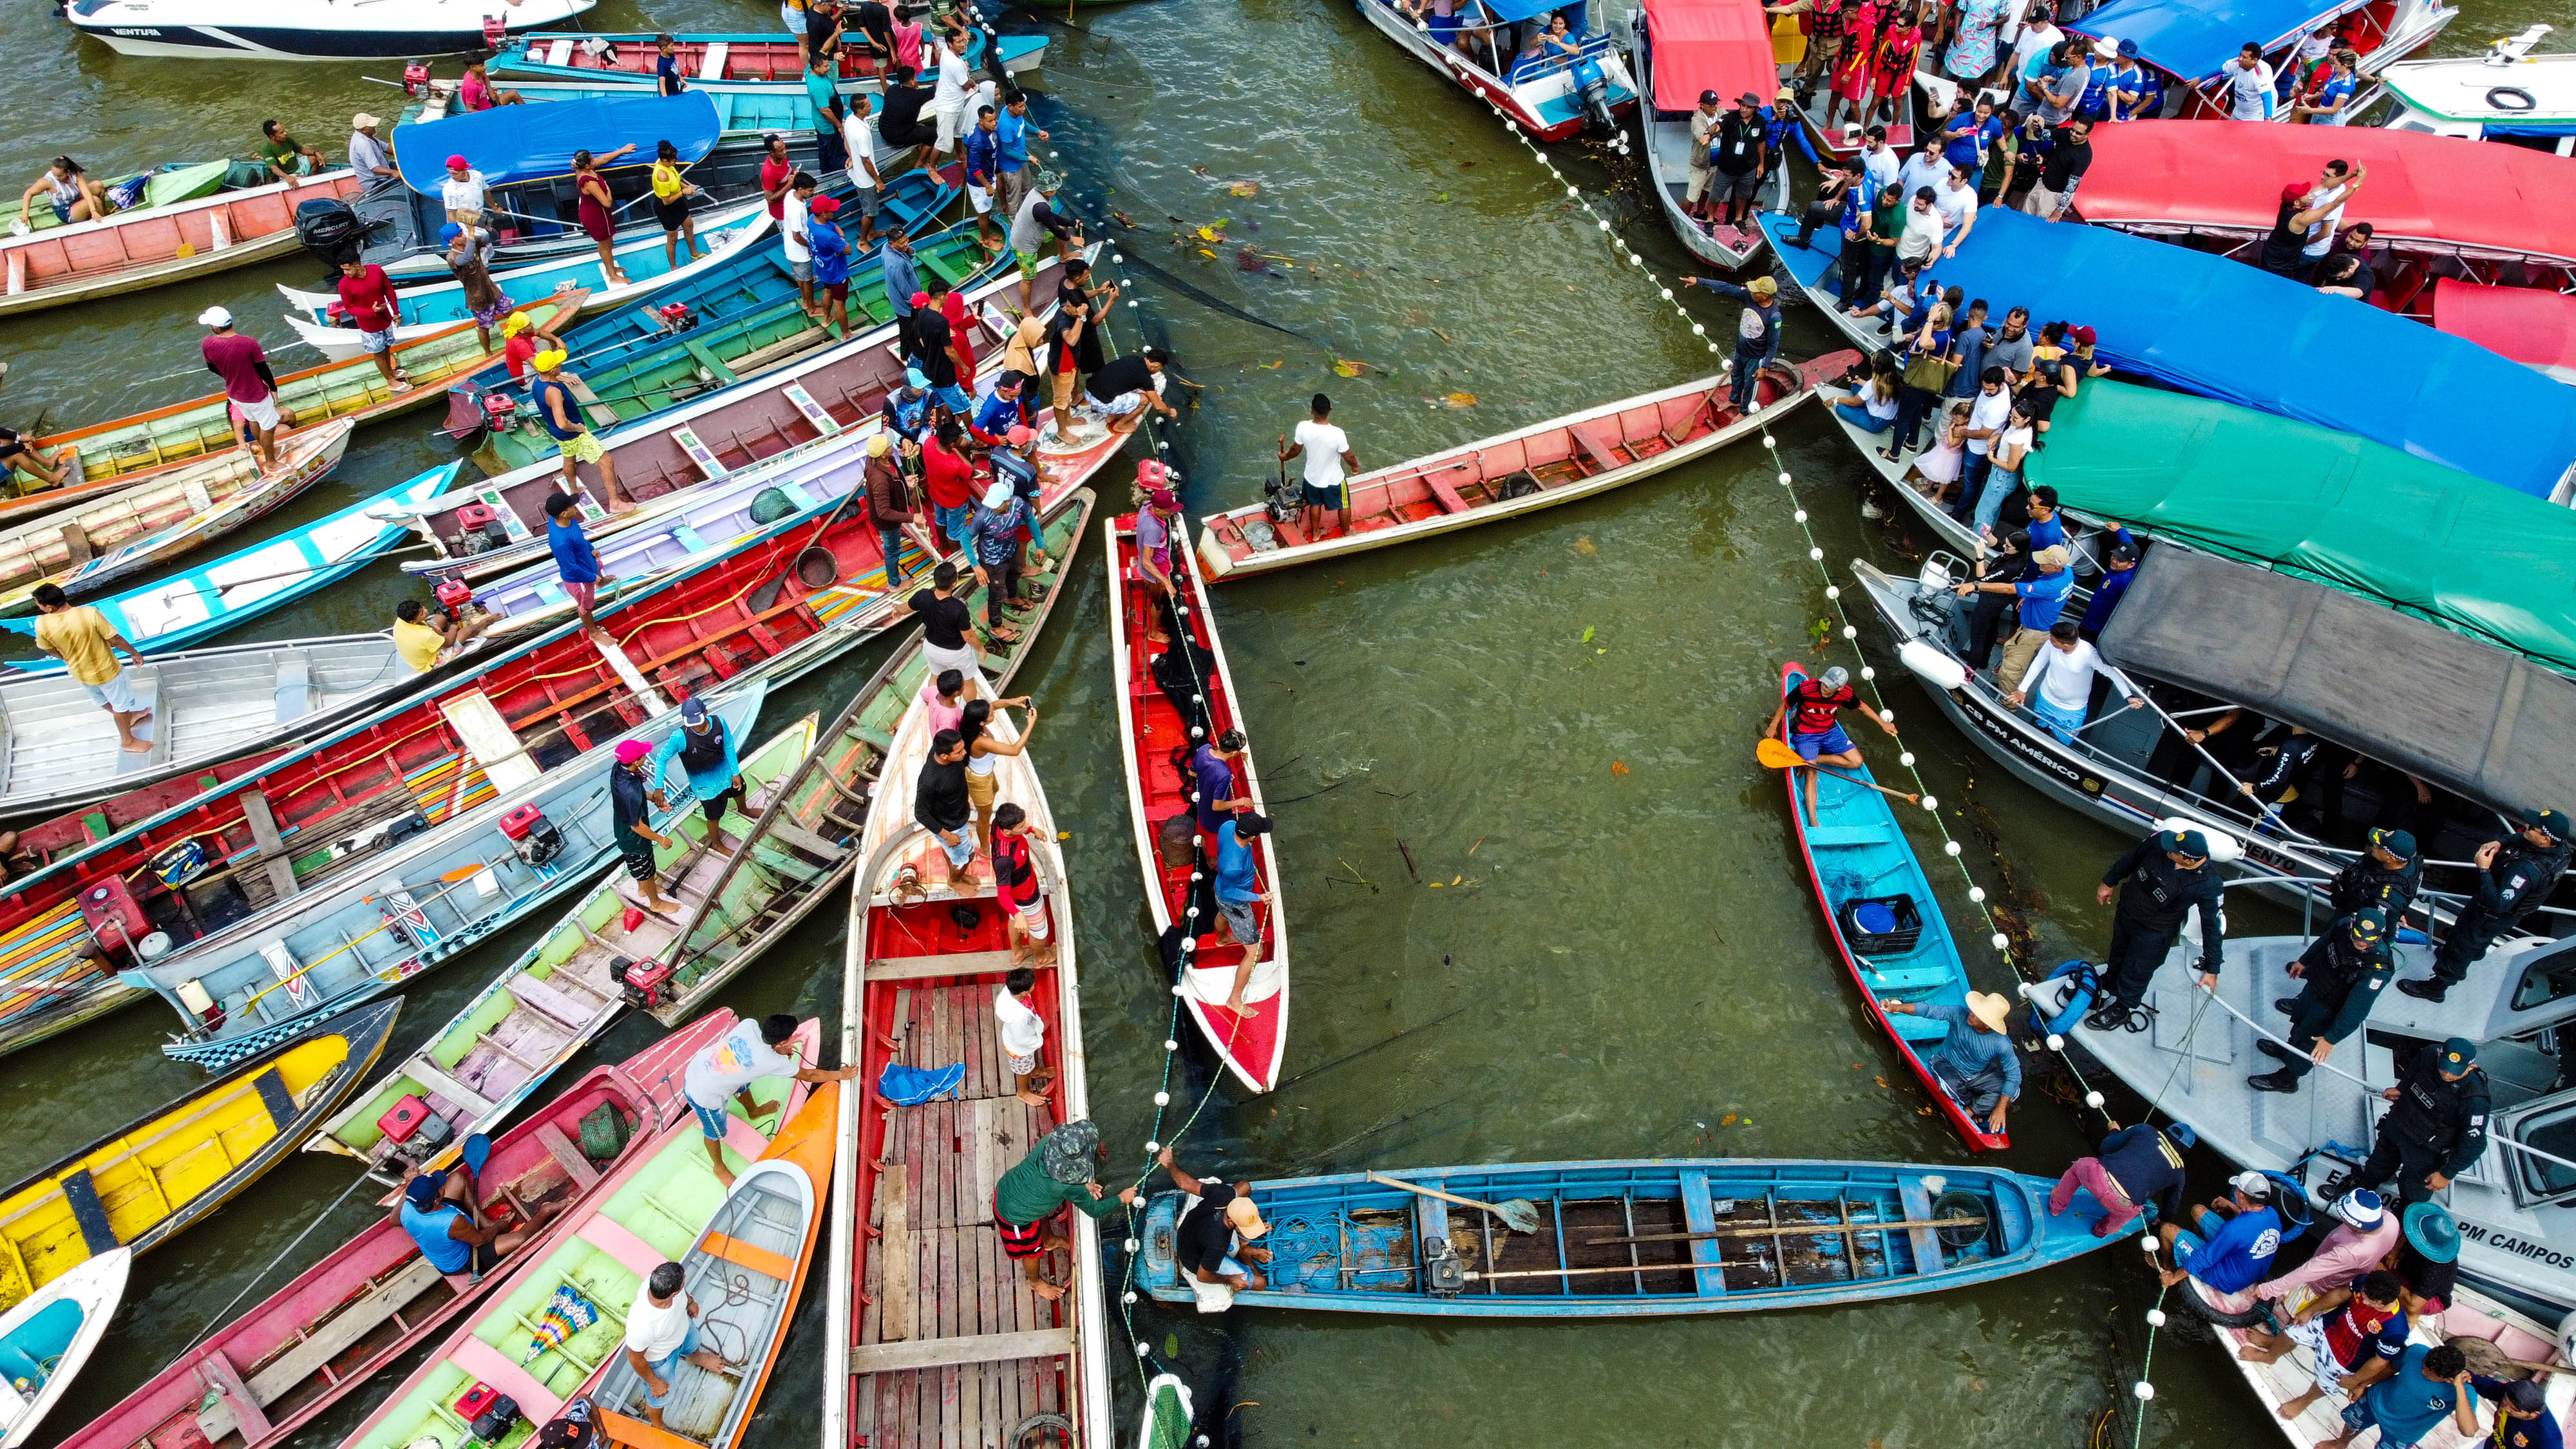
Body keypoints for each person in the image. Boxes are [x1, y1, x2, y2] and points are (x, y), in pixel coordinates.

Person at [2402, 810, 2571, 1002]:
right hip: (2503, 913)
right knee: (2472, 942)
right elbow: (2525, 840)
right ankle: (2460, 958)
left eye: (2533, 828)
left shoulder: (2526, 871)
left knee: (2464, 943)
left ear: (2546, 839)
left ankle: (2437, 987)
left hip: (2492, 913)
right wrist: (2502, 842)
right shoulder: (2560, 849)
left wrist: (2483, 868)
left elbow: (2499, 903)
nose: (2526, 827)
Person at [680, 1012, 853, 1188]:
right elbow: (809, 1074)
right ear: (782, 1042)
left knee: (742, 1081)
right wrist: (841, 1074)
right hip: (703, 1094)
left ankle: (754, 1111)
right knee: (715, 1133)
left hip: (701, 1067)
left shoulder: (750, 1024)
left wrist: (777, 1050)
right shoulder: (771, 1061)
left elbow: (755, 1047)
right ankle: (719, 1167)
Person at [2083, 827, 2227, 1030]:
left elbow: (2211, 925)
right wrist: (2108, 882)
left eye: (2174, 851)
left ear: (2188, 860)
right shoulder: (2162, 841)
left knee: (2137, 970)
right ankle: (2111, 980)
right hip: (2127, 913)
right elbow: (2132, 858)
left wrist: (2213, 968)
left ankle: (2122, 1008)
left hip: (2153, 932)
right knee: (2118, 954)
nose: (2168, 850)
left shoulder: (2208, 884)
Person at [2249, 909, 2396, 1094]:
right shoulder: (2343, 926)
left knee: (2308, 1043)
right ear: (2353, 925)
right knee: (2299, 1023)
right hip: (2316, 987)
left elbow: (2357, 1009)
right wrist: (2304, 961)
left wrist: (2331, 1039)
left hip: (2330, 1009)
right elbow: (2324, 942)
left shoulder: (2378, 969)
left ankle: (2287, 1079)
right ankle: (2288, 1050)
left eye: (2368, 941)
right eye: (2358, 936)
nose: (2361, 943)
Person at [992, 1119, 1140, 1302]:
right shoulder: (1069, 1187)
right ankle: (1035, 1282)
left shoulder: (1048, 1142)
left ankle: (1050, 1240)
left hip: (1010, 1185)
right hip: (1014, 1216)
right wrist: (1121, 1198)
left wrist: (1094, 1149)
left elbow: (1065, 1166)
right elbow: (1095, 1210)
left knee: (1041, 1217)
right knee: (1031, 1252)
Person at [2338, 1038, 2492, 1206]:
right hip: (2399, 1123)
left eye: (2455, 1072)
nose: (2447, 1075)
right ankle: (2361, 1189)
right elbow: (2414, 1071)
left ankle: (2404, 1219)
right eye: (2445, 1068)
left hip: (2427, 1148)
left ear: (2472, 1068)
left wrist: (2448, 1173)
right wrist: (2401, 1089)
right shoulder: (2431, 1053)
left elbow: (2474, 1144)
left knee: (2414, 1190)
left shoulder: (2475, 1100)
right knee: (2377, 1165)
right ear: (2440, 1055)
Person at [2242, 1268, 2410, 1419]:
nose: (2361, 1298)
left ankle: (2304, 1401)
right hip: (2330, 1325)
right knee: (2292, 1332)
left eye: (2366, 1299)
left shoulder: (2395, 1329)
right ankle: (2270, 1356)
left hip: (2346, 1356)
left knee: (2325, 1382)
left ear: (2381, 1303)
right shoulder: (2364, 1283)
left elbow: (2380, 1361)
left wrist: (2356, 1380)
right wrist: (2309, 1311)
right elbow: (2339, 1294)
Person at [1765, 664, 1899, 824]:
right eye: (1824, 682)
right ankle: (1813, 820)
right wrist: (1773, 726)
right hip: (1806, 734)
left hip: (1830, 732)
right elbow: (1785, 705)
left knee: (1857, 761)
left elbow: (1862, 707)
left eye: (1830, 686)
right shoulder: (1806, 688)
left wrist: (1882, 723)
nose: (1825, 687)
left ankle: (1811, 760)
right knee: (1812, 774)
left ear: (1840, 688)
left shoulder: (1846, 694)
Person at [396, 1149, 555, 1282]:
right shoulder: (451, 1221)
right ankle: (545, 1211)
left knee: (458, 1178)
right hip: (463, 1258)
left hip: (447, 1225)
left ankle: (485, 1222)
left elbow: (393, 1219)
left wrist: (412, 1183)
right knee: (518, 1239)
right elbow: (480, 1241)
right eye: (440, 1186)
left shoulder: (407, 1209)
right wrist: (500, 1226)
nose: (443, 1185)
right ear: (437, 1199)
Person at [31, 583, 151, 754]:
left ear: (49, 607)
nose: (39, 608)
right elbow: (114, 640)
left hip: (80, 672)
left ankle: (129, 717)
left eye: (39, 605)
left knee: (101, 700)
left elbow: (47, 648)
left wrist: (65, 658)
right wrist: (134, 653)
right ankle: (128, 740)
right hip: (107, 671)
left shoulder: (41, 623)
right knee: (121, 706)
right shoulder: (89, 613)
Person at [1879, 990, 2018, 1132]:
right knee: (1948, 1085)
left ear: (1988, 1025)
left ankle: (1970, 1110)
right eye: (1974, 1010)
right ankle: (1978, 1109)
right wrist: (1896, 1008)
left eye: (1978, 1014)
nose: (1971, 1013)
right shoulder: (1959, 1014)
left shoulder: (2002, 1044)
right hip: (1946, 1064)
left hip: (1977, 1076)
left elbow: (2015, 1076)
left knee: (2013, 1092)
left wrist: (2001, 1109)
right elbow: (1929, 1010)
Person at [621, 1262, 728, 1431]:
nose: (685, 1278)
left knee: (694, 1341)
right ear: (673, 1293)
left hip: (681, 1328)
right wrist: (654, 1382)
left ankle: (696, 1357)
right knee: (659, 1398)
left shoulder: (659, 1282)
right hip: (661, 1358)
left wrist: (690, 1303)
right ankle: (658, 1424)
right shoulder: (642, 1326)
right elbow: (635, 1358)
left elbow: (683, 1293)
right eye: (683, 1280)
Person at [2154, 1169, 2283, 1307]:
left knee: (2167, 1230)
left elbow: (2205, 1258)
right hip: (2250, 1269)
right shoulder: (2272, 1214)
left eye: (2237, 1189)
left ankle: (2165, 1266)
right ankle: (2197, 1243)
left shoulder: (2234, 1229)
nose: (2235, 1191)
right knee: (2197, 1210)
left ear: (2242, 1196)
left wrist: (2173, 1278)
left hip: (2225, 1278)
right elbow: (2251, 1222)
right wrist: (2229, 1205)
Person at [2248, 1188, 2396, 1306]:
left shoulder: (2352, 1251)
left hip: (2317, 1286)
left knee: (2292, 1312)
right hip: (2344, 1269)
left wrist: (2270, 1289)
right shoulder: (2390, 1220)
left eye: (2347, 1218)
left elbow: (2310, 1270)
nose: (2342, 1219)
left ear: (2361, 1226)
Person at [2005, 620, 2144, 744]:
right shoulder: (2051, 644)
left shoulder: (2089, 654)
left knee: (2058, 745)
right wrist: (2022, 690)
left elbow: (2112, 673)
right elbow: (2038, 664)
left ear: (2065, 643)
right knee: (2035, 732)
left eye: (2053, 640)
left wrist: (2128, 697)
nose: (2050, 640)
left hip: (2072, 710)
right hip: (2046, 700)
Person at [1951, 536, 2065, 685]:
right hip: (2001, 601)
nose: (2004, 546)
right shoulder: (2026, 556)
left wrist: (1980, 556)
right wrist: (1990, 536)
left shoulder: (2011, 566)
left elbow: (1983, 578)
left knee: (1977, 637)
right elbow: (2000, 547)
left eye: (2008, 546)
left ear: (2018, 549)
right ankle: (1984, 660)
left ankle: (1969, 675)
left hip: (1990, 602)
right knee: (1992, 628)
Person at [2049, 1120, 2190, 1238]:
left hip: (2097, 1177)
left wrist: (2114, 1131)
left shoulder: (2146, 1129)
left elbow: (2106, 1147)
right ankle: (2101, 1231)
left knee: (2077, 1169)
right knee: (2120, 1220)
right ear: (2185, 1151)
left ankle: (2056, 1207)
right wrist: (2162, 1219)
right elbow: (2171, 1207)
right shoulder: (2180, 1171)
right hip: (2123, 1205)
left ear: (2167, 1130)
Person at [2320, 1343, 2476, 1449]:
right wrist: (2362, 1384)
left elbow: (2469, 1431)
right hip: (2376, 1402)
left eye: (2429, 1374)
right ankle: (2341, 1443)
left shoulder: (2465, 1392)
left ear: (2448, 1379)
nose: (2423, 1372)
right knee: (2352, 1424)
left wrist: (2459, 1387)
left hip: (2403, 1432)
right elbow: (2390, 1369)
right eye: (2423, 1367)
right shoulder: (2417, 1352)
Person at [647, 696, 750, 855]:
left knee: (740, 790)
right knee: (714, 816)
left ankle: (744, 810)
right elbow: (661, 759)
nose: (695, 726)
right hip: (706, 786)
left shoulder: (719, 722)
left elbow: (729, 746)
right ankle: (717, 843)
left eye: (698, 721)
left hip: (726, 774)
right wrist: (658, 787)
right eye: (691, 723)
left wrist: (735, 773)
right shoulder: (679, 737)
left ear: (706, 712)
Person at [1160, 1149, 1273, 1293]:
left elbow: (1185, 1183)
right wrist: (1230, 1280)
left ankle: (1244, 1244)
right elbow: (1203, 1276)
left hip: (1189, 1231)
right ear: (1232, 1222)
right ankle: (1245, 1252)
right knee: (1261, 1283)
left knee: (1244, 1186)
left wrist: (1170, 1164)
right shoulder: (1217, 1244)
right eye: (1245, 1228)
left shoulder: (1224, 1194)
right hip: (1193, 1258)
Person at [531, 352, 629, 516]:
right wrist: (578, 428)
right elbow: (562, 423)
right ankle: (615, 503)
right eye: (558, 365)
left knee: (569, 458)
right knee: (606, 461)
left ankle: (574, 489)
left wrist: (563, 378)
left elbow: (552, 378)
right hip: (573, 433)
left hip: (557, 433)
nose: (561, 365)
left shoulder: (538, 381)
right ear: (552, 370)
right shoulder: (553, 392)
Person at [199, 306, 287, 473]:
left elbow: (211, 367)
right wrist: (273, 388)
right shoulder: (248, 342)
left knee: (253, 420)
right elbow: (263, 369)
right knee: (268, 426)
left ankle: (268, 451)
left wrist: (229, 376)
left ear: (216, 328)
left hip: (235, 394)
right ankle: (271, 462)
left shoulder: (208, 343)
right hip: (255, 394)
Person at [1683, 275, 1781, 410]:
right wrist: (1700, 281)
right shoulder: (1749, 297)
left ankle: (1745, 411)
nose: (1750, 292)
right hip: (1741, 350)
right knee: (1736, 375)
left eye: (1755, 291)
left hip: (1756, 357)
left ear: (1765, 295)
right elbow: (1727, 288)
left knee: (1749, 384)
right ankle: (1734, 400)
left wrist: (1764, 366)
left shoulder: (1774, 317)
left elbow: (1773, 344)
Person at [609, 737, 683, 914]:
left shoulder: (619, 769)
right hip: (635, 839)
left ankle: (643, 889)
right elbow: (637, 826)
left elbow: (638, 793)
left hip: (622, 832)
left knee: (636, 866)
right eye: (643, 755)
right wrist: (661, 839)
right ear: (636, 762)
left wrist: (655, 799)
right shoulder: (630, 791)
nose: (646, 757)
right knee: (647, 870)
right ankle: (655, 903)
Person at [1212, 810, 1273, 1011]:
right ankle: (1235, 1000)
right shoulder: (1234, 866)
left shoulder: (1228, 827)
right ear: (1253, 837)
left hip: (1219, 890)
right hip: (1235, 902)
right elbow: (1232, 891)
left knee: (1222, 914)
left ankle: (1222, 939)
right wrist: (1259, 897)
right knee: (1256, 953)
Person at [961, 482, 1036, 644]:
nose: (993, 508)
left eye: (998, 504)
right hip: (992, 561)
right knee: (997, 594)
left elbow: (1031, 520)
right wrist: (976, 566)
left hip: (1011, 550)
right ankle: (996, 626)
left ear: (1007, 502)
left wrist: (1040, 544)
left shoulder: (1017, 504)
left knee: (1015, 573)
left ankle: (1012, 598)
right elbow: (965, 539)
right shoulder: (982, 516)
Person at [989, 800, 1056, 967]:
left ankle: (1018, 953)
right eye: (1021, 827)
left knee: (1014, 918)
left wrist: (1031, 830)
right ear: (1007, 831)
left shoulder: (998, 824)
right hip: (1027, 895)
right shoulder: (1005, 860)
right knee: (1039, 930)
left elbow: (1018, 828)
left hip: (1018, 897)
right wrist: (1020, 915)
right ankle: (1040, 959)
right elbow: (1002, 895)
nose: (1024, 827)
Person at [1007, 171, 1083, 314]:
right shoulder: (1041, 207)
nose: (1055, 191)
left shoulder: (1037, 195)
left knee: (1064, 227)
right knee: (1028, 279)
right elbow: (1053, 227)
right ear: (1044, 190)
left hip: (1034, 232)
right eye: (1052, 189)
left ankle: (1064, 255)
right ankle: (1027, 309)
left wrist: (1072, 223)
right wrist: (1072, 239)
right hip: (1024, 245)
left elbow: (1051, 217)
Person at [334, 257, 411, 393]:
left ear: (357, 265)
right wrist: (371, 312)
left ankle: (391, 372)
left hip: (385, 318)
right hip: (368, 325)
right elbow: (350, 308)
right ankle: (390, 381)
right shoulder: (344, 284)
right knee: (378, 352)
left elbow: (389, 291)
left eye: (347, 269)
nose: (346, 273)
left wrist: (396, 313)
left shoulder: (376, 270)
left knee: (387, 347)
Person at [909, 560, 984, 697]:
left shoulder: (923, 596)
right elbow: (969, 637)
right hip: (956, 654)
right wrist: (981, 649)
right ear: (954, 583)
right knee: (967, 681)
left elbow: (905, 608)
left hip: (931, 648)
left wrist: (897, 609)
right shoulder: (958, 608)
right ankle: (971, 712)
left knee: (936, 676)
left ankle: (932, 702)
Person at [918, 726, 980, 891]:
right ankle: (954, 882)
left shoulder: (943, 751)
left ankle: (957, 872)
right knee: (967, 857)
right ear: (945, 756)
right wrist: (946, 835)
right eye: (959, 752)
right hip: (951, 826)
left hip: (958, 814)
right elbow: (920, 813)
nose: (964, 753)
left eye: (963, 748)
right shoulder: (929, 781)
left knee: (955, 854)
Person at [571, 146, 638, 287]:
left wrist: (622, 151)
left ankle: (611, 268)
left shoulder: (582, 168)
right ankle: (612, 275)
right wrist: (608, 189)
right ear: (587, 165)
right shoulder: (589, 181)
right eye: (592, 159)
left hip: (596, 212)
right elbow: (607, 202)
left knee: (607, 242)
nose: (595, 160)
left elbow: (604, 159)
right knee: (605, 244)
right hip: (596, 215)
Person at [2328, 827, 2421, 927]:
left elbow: (2384, 931)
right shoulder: (2407, 861)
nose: (2374, 846)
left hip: (2356, 927)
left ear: (2390, 858)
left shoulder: (2390, 897)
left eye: (2379, 846)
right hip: (2346, 904)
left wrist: (2394, 913)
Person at [440, 219, 508, 354]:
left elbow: (493, 238)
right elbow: (466, 258)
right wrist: (471, 235)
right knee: (484, 327)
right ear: (452, 241)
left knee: (510, 312)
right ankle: (488, 353)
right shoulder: (452, 257)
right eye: (460, 235)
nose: (464, 236)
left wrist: (488, 227)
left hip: (491, 290)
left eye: (463, 233)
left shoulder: (472, 242)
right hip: (477, 298)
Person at [543, 490, 607, 631]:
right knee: (586, 605)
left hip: (586, 561)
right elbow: (570, 568)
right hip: (577, 578)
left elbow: (579, 538)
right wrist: (591, 577)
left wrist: (590, 548)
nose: (575, 507)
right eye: (571, 506)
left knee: (598, 565)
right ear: (563, 513)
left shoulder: (561, 520)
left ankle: (601, 582)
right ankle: (593, 631)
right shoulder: (562, 542)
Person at [1083, 347, 1178, 440]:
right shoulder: (1145, 377)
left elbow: (1129, 379)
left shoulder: (1132, 358)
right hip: (1101, 403)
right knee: (1144, 400)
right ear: (1156, 366)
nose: (1159, 371)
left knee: (1122, 387)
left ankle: (1112, 416)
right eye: (1160, 369)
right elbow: (1159, 407)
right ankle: (1120, 426)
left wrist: (1153, 394)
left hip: (1088, 392)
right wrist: (1170, 412)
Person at [860, 433, 920, 582]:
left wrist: (905, 482)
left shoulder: (879, 460)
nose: (892, 446)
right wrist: (912, 517)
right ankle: (894, 583)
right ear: (882, 454)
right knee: (893, 551)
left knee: (892, 546)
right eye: (889, 446)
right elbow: (884, 512)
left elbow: (893, 480)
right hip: (888, 523)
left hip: (895, 505)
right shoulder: (880, 480)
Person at [1133, 471, 1183, 644]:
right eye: (1169, 511)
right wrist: (1167, 582)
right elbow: (1147, 561)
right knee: (1158, 602)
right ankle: (1153, 633)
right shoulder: (1154, 529)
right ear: (1159, 509)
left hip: (1159, 562)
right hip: (1155, 570)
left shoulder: (1147, 507)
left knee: (1158, 597)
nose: (1171, 514)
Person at [1707, 92, 1768, 229]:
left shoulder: (1760, 121)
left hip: (1748, 168)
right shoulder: (1730, 118)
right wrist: (1708, 133)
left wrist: (1761, 164)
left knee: (1744, 195)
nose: (1744, 109)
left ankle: (1739, 219)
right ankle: (1710, 219)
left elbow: (1761, 143)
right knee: (1716, 195)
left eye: (1748, 107)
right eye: (1743, 105)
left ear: (1755, 109)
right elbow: (1717, 126)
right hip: (1726, 169)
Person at [996, 965, 1053, 1105]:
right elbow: (1022, 1040)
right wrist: (1038, 1042)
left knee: (1029, 1065)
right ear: (1023, 992)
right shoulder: (1018, 1018)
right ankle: (1023, 1092)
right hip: (1020, 1049)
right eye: (1032, 985)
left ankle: (1036, 1072)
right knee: (1023, 1069)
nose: (1034, 986)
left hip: (1017, 1036)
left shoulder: (1010, 991)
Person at [2019, 115, 2091, 219]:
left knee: (2040, 225)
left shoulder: (2085, 155)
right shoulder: (2066, 133)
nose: (2073, 134)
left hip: (2053, 195)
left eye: (2078, 133)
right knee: (2024, 215)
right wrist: (2037, 128)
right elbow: (2042, 136)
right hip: (2041, 184)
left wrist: (2059, 210)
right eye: (2073, 130)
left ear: (2087, 135)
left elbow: (2072, 185)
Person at [392, 597, 488, 673]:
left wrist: (446, 633)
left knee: (441, 618)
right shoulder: (425, 635)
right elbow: (449, 643)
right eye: (421, 614)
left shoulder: (401, 620)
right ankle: (487, 622)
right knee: (467, 631)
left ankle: (452, 633)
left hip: (423, 642)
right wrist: (453, 628)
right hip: (430, 662)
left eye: (423, 607)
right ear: (413, 621)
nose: (425, 611)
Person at [649, 140, 704, 269]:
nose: (676, 162)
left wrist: (688, 187)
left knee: (689, 224)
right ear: (664, 160)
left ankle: (694, 253)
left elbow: (677, 180)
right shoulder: (662, 175)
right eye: (673, 160)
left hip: (678, 202)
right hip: (666, 208)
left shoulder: (669, 166)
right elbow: (666, 201)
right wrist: (684, 192)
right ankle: (674, 267)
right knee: (672, 238)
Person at [2076, 530, 2137, 640]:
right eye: (2114, 556)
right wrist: (2120, 530)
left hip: (2095, 629)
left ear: (2131, 565)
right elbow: (2129, 545)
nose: (2114, 560)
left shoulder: (2125, 582)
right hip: (2090, 619)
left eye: (2120, 560)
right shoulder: (2128, 562)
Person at [808, 194, 854, 339]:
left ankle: (827, 318)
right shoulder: (829, 237)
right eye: (831, 211)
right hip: (836, 272)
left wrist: (840, 234)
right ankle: (846, 333)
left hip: (823, 267)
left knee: (827, 290)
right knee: (840, 304)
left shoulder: (811, 220)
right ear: (823, 214)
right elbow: (848, 250)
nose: (834, 212)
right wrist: (841, 239)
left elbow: (834, 226)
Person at [844, 92, 884, 246]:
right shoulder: (861, 134)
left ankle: (872, 233)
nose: (871, 107)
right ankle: (862, 241)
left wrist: (852, 156)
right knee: (870, 212)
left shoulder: (850, 120)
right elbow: (866, 161)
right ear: (860, 109)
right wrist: (878, 182)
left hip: (858, 175)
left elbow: (846, 139)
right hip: (866, 179)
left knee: (868, 207)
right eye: (868, 106)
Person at [2472, 1378, 2557, 1449]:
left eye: (2513, 1409)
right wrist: (2471, 1378)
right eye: (2505, 1401)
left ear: (2534, 1414)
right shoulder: (2512, 1392)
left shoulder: (2548, 1439)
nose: (2505, 1408)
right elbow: (2493, 1389)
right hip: (2494, 1444)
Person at [20, 156, 104, 227]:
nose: (57, 177)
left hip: (77, 198)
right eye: (55, 175)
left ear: (68, 172)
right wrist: (25, 212)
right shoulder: (47, 181)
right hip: (67, 211)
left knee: (98, 185)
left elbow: (86, 193)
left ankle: (103, 212)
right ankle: (103, 222)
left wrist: (93, 211)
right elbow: (29, 193)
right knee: (95, 200)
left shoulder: (75, 174)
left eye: (60, 176)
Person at [2293, 46, 2362, 123]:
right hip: (2320, 112)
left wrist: (2309, 110)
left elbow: (2334, 109)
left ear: (2345, 65)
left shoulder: (2347, 84)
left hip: (2331, 119)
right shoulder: (2337, 74)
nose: (2334, 66)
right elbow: (2327, 93)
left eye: (2336, 64)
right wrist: (2312, 96)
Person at [2222, 40, 2278, 120]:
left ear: (2254, 60)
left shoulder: (2260, 75)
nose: (2240, 59)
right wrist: (2199, 80)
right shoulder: (2237, 63)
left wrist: (2268, 118)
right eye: (2241, 55)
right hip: (2239, 111)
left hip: (2257, 114)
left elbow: (2267, 97)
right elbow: (2220, 71)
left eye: (2244, 57)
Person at [880, 223, 920, 332]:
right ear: (892, 244)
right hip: (907, 308)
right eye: (903, 243)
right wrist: (916, 305)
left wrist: (907, 248)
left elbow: (909, 251)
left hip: (899, 302)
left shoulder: (886, 247)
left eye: (907, 240)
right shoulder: (896, 265)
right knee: (911, 333)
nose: (906, 244)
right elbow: (904, 289)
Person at [260, 120, 326, 183]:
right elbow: (273, 168)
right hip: (284, 175)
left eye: (284, 131)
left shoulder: (287, 139)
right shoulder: (266, 148)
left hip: (297, 166)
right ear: (272, 137)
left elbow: (301, 149)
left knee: (315, 159)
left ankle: (312, 179)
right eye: (281, 133)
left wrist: (316, 153)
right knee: (297, 183)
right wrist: (287, 177)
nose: (285, 133)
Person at [439, 154, 489, 222]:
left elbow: (486, 191)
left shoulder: (477, 175)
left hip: (478, 216)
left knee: (491, 228)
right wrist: (458, 232)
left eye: (455, 174)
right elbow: (451, 214)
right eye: (450, 173)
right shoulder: (449, 189)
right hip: (463, 223)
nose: (452, 176)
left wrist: (495, 207)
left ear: (465, 169)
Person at [458, 62, 525, 110]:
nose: (485, 67)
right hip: (487, 112)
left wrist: (490, 91)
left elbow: (485, 77)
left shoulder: (478, 73)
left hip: (490, 102)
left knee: (514, 94)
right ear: (473, 67)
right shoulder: (471, 87)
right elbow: (470, 110)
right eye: (482, 66)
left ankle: (527, 115)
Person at [348, 115, 395, 181]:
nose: (374, 127)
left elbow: (388, 149)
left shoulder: (368, 136)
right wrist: (394, 173)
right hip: (376, 181)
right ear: (364, 130)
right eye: (371, 126)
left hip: (386, 168)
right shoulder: (363, 144)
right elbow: (376, 169)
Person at [652, 32, 688, 97]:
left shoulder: (671, 54)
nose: (674, 48)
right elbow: (662, 83)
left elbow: (674, 69)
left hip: (674, 87)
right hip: (667, 92)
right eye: (671, 46)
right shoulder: (662, 64)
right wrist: (665, 98)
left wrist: (680, 79)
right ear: (664, 49)